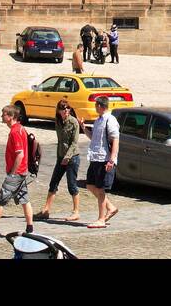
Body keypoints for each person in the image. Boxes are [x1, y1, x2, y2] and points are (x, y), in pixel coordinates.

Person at [0, 105, 34, 240]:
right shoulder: (21, 128)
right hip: (22, 172)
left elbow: (19, 154)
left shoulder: (15, 131)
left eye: (3, 114)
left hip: (16, 174)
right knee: (24, 200)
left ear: (11, 117)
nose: (1, 117)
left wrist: (12, 173)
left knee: (0, 201)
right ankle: (30, 230)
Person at [38, 100, 82, 222]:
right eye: (63, 108)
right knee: (53, 183)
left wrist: (67, 157)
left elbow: (74, 143)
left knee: (72, 185)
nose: (66, 110)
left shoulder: (73, 122)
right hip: (61, 157)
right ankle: (46, 210)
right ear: (58, 110)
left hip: (72, 158)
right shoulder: (58, 121)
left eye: (67, 108)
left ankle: (76, 212)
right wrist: (61, 157)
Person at [85, 97, 119, 229]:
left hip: (104, 159)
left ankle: (101, 219)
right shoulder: (98, 120)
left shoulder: (110, 120)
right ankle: (110, 208)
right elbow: (94, 138)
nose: (95, 107)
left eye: (95, 105)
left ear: (100, 106)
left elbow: (115, 140)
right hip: (95, 157)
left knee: (100, 189)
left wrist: (111, 159)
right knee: (90, 185)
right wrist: (84, 128)